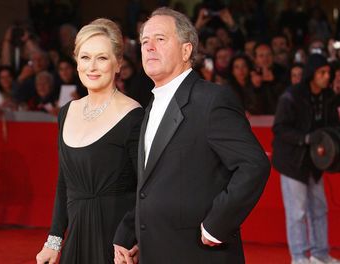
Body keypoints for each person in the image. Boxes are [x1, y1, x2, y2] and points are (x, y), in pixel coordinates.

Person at [113, 7, 270, 264]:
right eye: (144, 41)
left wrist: (216, 226)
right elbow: (150, 185)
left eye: (160, 39)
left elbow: (254, 165)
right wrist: (127, 233)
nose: (149, 47)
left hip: (199, 254)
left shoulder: (212, 100)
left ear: (186, 51)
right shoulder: (151, 107)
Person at [35, 18, 143, 264]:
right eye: (85, 57)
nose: (92, 67)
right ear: (76, 62)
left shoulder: (133, 115)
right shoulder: (67, 112)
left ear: (118, 64)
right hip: (76, 239)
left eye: (102, 58)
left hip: (117, 244)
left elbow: (147, 189)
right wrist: (53, 241)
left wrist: (132, 238)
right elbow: (64, 182)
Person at [272, 54, 340, 264]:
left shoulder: (328, 96)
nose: (326, 76)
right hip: (293, 162)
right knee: (297, 212)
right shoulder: (292, 95)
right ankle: (299, 257)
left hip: (316, 162)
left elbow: (334, 126)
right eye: (322, 73)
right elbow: (280, 128)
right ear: (312, 74)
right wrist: (306, 138)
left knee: (320, 209)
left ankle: (320, 254)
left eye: (328, 73)